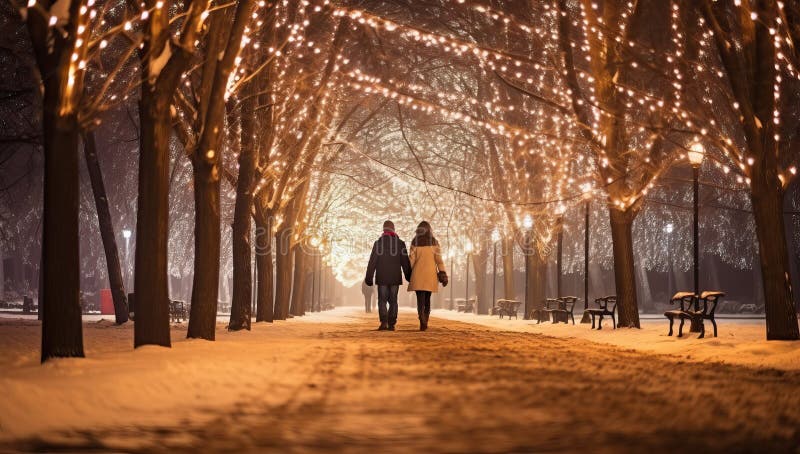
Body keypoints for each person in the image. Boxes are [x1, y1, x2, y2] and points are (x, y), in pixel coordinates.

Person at [365, 220, 412, 331]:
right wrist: (409, 275)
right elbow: (405, 262)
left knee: (382, 300)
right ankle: (392, 323)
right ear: (393, 229)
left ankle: (384, 322)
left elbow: (372, 261)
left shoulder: (378, 243)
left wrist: (369, 277)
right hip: (395, 277)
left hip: (382, 277)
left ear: (384, 230)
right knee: (393, 300)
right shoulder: (400, 244)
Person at [407, 221, 447, 331]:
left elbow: (411, 260)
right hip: (430, 275)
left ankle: (422, 320)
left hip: (418, 275)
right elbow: (439, 260)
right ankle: (426, 320)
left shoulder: (415, 242)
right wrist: (442, 272)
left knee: (420, 300)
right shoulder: (435, 242)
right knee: (427, 299)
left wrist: (407, 272)